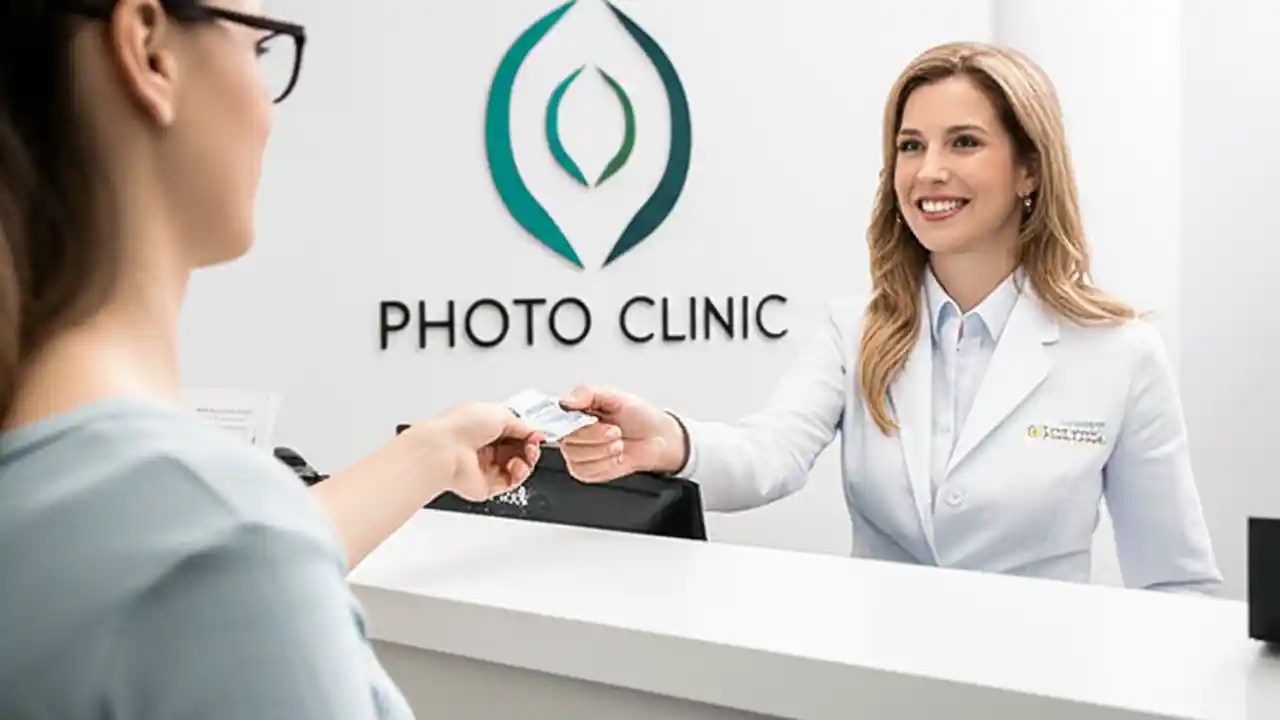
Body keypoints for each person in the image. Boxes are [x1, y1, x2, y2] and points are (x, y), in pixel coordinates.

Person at [0, 1, 542, 717]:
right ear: (150, 48)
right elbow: (217, 566)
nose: (268, 110)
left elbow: (165, 570)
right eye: (260, 49)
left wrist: (433, 455)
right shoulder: (225, 549)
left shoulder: (104, 515)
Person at [558, 41, 1223, 594]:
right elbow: (770, 455)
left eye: (964, 143)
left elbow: (1174, 582)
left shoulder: (1119, 353)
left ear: (1029, 170)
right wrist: (669, 440)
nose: (929, 171)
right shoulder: (856, 331)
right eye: (911, 146)